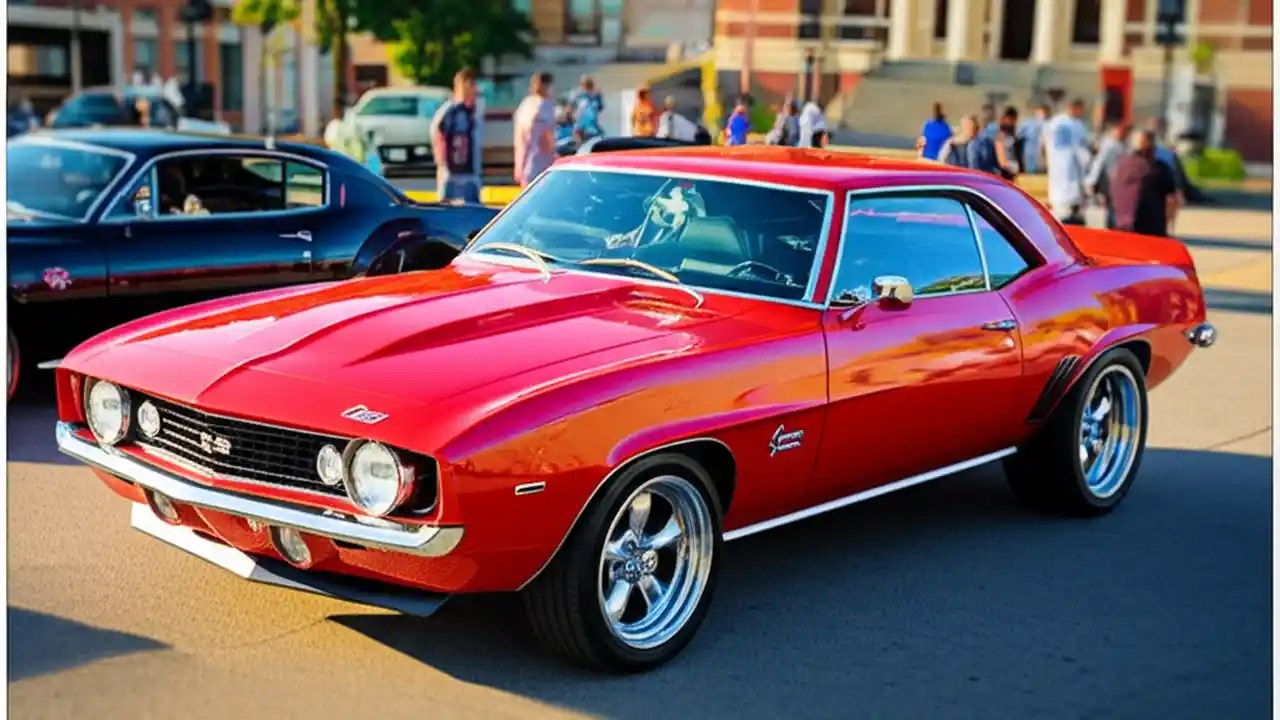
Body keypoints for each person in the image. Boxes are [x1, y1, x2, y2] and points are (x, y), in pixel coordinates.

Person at [1110, 129, 1180, 237]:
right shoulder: (1159, 168)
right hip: (1151, 228)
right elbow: (1171, 200)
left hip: (1121, 226)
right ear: (1154, 147)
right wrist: (1168, 227)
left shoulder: (1121, 165)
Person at [430, 67, 484, 203]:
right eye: (472, 85)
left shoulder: (471, 112)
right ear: (463, 85)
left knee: (474, 213)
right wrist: (444, 164)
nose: (475, 89)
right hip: (453, 174)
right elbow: (438, 137)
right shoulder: (450, 112)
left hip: (470, 173)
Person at [1043, 97, 1090, 224]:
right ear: (1074, 108)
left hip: (1057, 180)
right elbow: (1082, 153)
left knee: (1058, 216)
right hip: (1071, 181)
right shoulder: (1075, 125)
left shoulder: (1053, 123)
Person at [513, 71, 557, 188]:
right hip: (535, 163)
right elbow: (547, 136)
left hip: (532, 163)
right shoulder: (541, 105)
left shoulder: (528, 104)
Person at [1084, 122, 1129, 228]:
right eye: (1119, 131)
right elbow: (1099, 162)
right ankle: (1112, 227)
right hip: (1111, 180)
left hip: (1120, 181)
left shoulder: (1123, 145)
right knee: (1112, 206)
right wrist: (1092, 180)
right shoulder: (1109, 145)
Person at [1016, 104, 1049, 174]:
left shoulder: (1048, 124)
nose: (1041, 115)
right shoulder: (1028, 123)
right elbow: (1018, 135)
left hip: (1041, 155)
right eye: (1040, 113)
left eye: (1044, 113)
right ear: (1036, 113)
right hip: (1030, 153)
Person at [994, 106, 1020, 180]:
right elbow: (1002, 162)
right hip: (1006, 174)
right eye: (1011, 119)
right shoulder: (1001, 136)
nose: (1014, 121)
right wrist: (1015, 168)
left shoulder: (1014, 136)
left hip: (1015, 174)